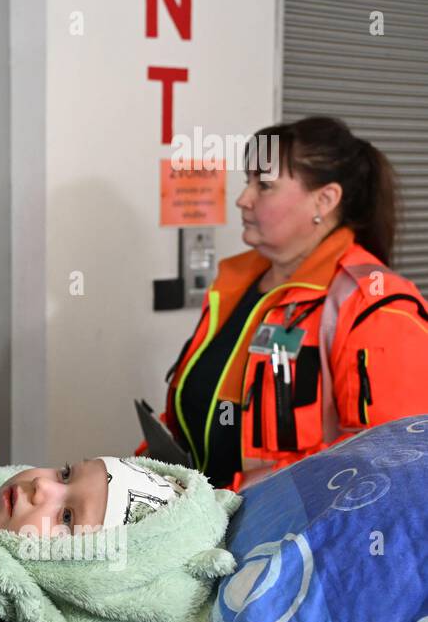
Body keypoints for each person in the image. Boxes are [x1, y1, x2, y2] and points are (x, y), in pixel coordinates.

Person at [157, 117, 428, 490]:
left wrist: (234, 496)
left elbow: (389, 466)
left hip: (283, 524)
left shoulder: (375, 306)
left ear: (325, 200)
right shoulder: (236, 283)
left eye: (264, 185)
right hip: (203, 513)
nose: (242, 199)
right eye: (248, 181)